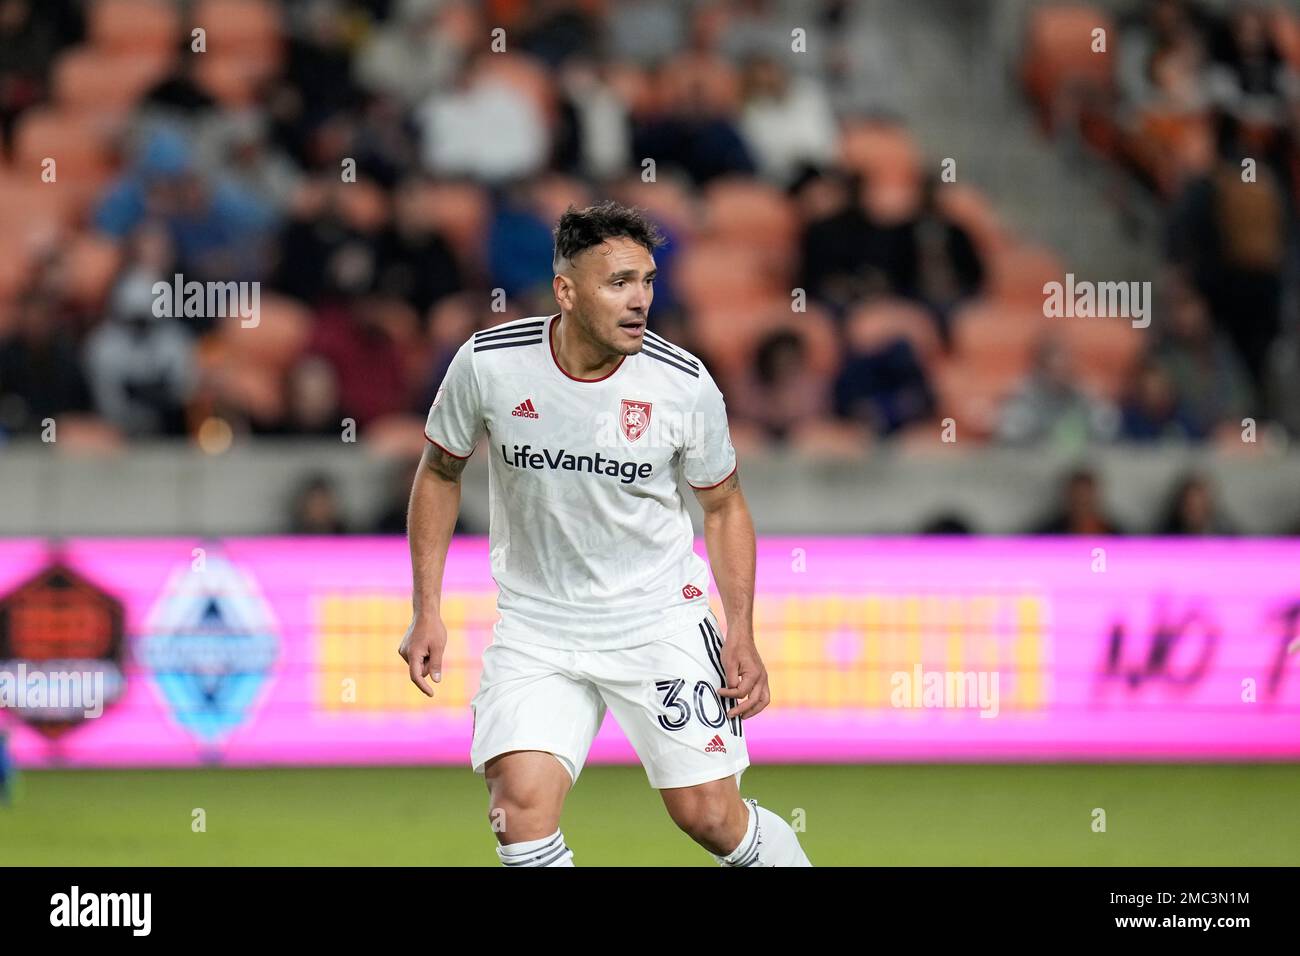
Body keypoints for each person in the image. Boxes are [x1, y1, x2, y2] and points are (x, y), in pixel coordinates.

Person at [400, 200, 811, 867]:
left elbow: (725, 506)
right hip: (539, 625)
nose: (640, 299)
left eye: (647, 281)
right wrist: (426, 609)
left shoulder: (683, 385)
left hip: (658, 619)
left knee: (709, 816)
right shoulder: (488, 365)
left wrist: (740, 628)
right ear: (565, 290)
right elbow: (439, 472)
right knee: (518, 810)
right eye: (618, 282)